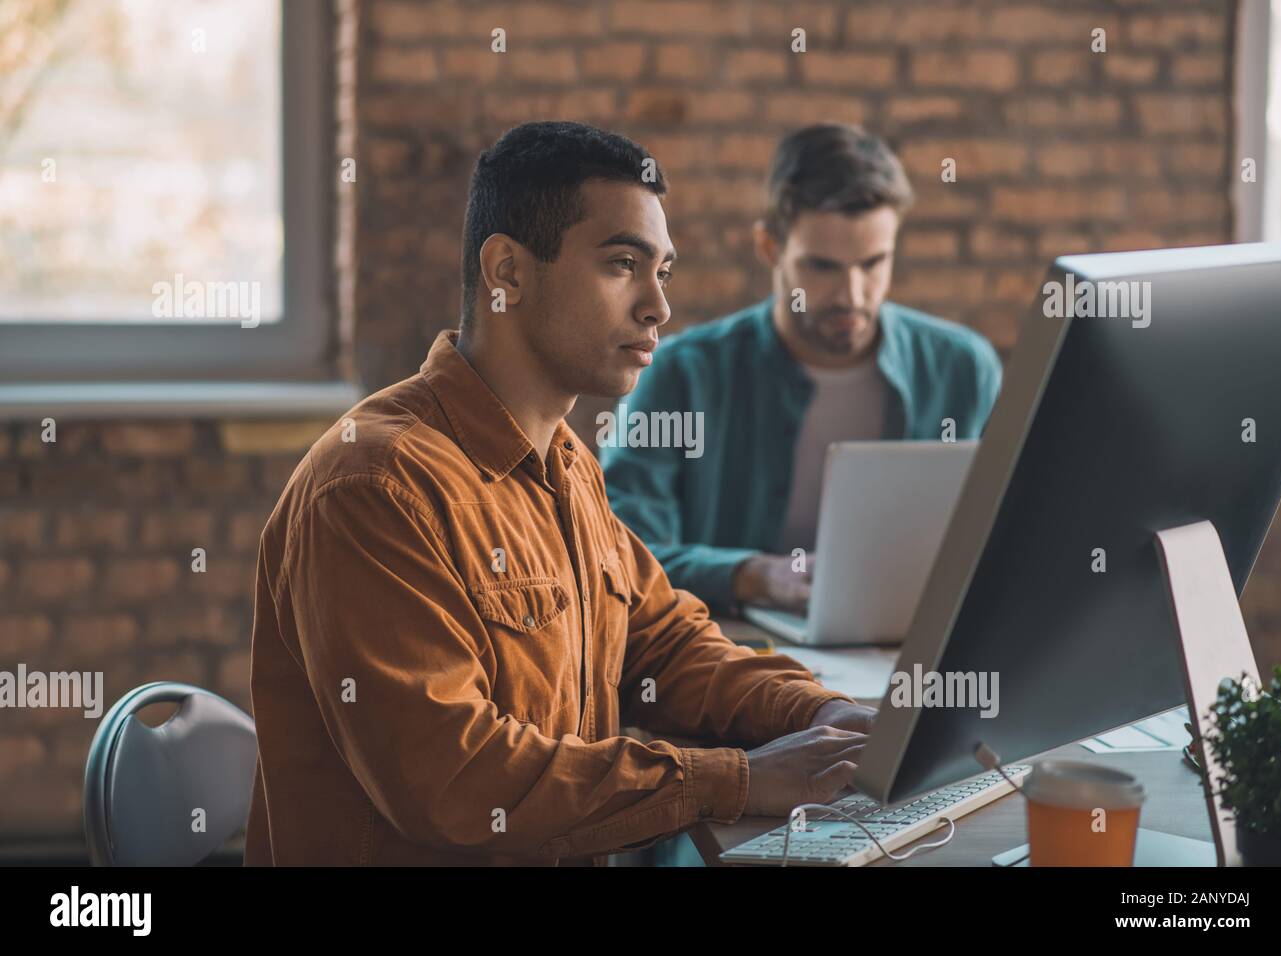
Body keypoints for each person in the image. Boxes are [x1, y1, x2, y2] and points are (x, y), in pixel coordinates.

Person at [244, 120, 878, 866]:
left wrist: (826, 714)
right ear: (507, 271)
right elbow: (455, 780)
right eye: (621, 265)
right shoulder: (372, 486)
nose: (657, 308)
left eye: (662, 272)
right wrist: (736, 780)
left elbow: (667, 646)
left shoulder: (565, 465)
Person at [601, 123, 1003, 615]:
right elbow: (621, 554)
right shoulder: (683, 375)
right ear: (770, 248)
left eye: (874, 264)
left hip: (904, 653)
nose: (852, 296)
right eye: (823, 267)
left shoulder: (964, 369)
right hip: (733, 659)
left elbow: (1008, 541)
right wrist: (752, 576)